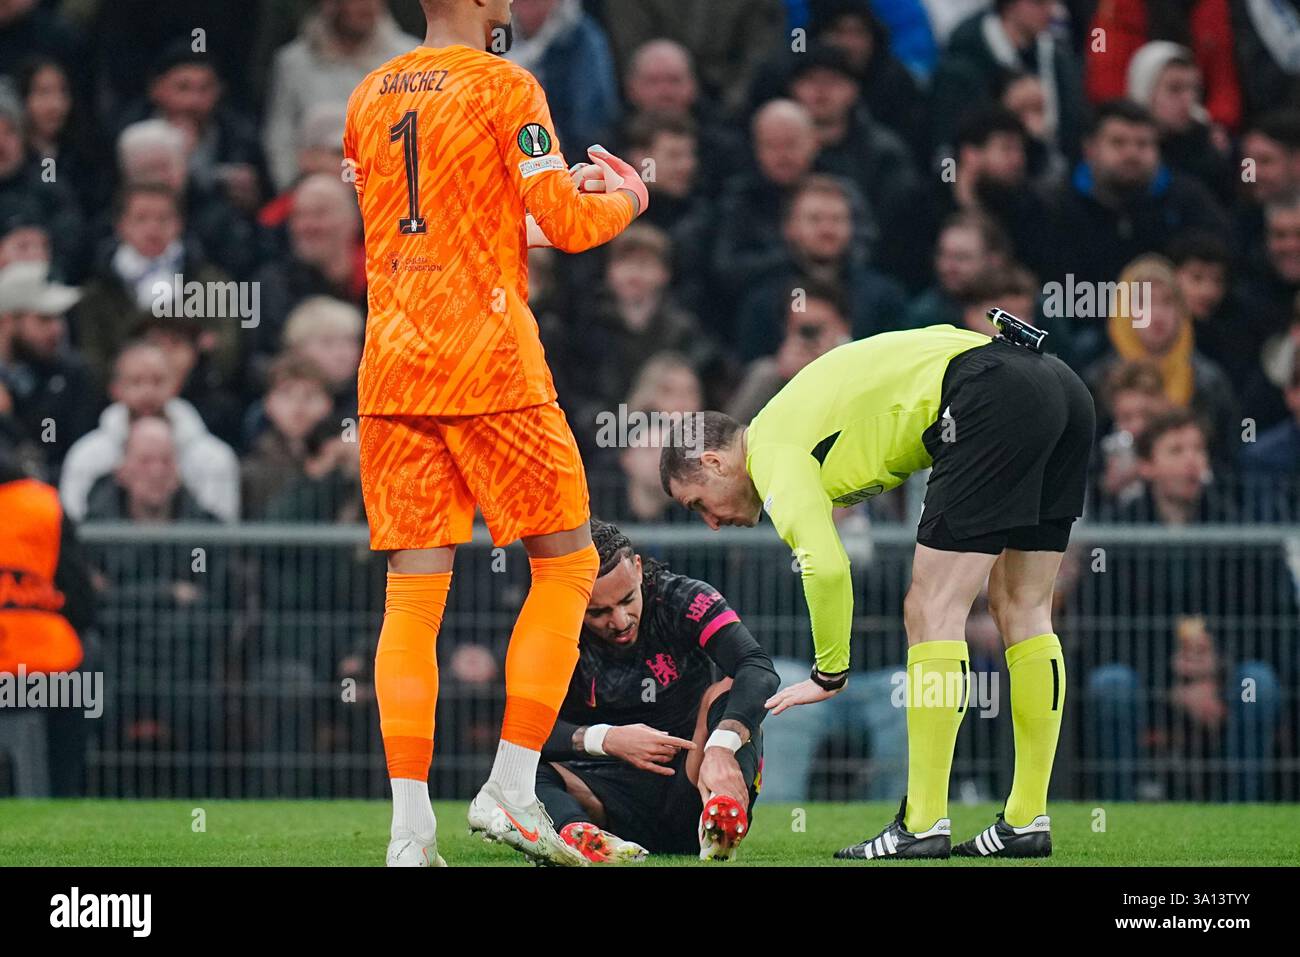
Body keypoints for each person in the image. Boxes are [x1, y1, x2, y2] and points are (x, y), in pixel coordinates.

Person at [344, 0, 648, 867]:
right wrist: (625, 193)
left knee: (412, 597)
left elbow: (429, 227)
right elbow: (569, 226)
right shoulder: (505, 82)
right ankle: (511, 788)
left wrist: (539, 201)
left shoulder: (370, 92)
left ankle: (409, 835)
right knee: (568, 564)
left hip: (393, 367)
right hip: (487, 364)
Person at [659, 322, 1095, 859]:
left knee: (931, 608)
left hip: (987, 390)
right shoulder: (794, 421)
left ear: (713, 461)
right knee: (1025, 608)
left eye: (699, 503)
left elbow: (824, 566)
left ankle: (924, 822)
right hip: (1058, 384)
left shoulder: (770, 448)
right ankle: (1026, 819)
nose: (711, 523)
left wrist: (829, 671)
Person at [535, 520, 778, 861]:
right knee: (522, 765)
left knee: (730, 694)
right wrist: (606, 739)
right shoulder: (552, 624)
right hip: (603, 798)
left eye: (627, 600)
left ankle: (720, 817)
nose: (620, 621)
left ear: (636, 568)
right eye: (598, 612)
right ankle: (580, 836)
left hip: (692, 780)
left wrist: (722, 747)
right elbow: (521, 731)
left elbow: (758, 667)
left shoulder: (681, 598)